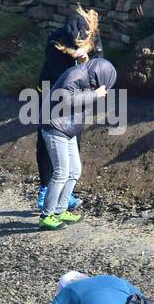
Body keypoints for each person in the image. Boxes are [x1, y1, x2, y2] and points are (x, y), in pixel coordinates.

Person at [36, 7, 102, 214]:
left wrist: (88, 60)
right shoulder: (55, 41)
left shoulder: (94, 36)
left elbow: (100, 68)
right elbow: (62, 78)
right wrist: (80, 63)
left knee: (73, 138)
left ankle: (66, 193)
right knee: (48, 141)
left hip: (78, 96)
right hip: (51, 91)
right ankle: (45, 189)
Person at [38, 55, 106, 231]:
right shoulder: (74, 76)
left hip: (68, 129)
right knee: (61, 172)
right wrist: (95, 94)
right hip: (55, 127)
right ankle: (46, 216)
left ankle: (60, 211)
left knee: (74, 170)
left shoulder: (84, 77)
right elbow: (66, 99)